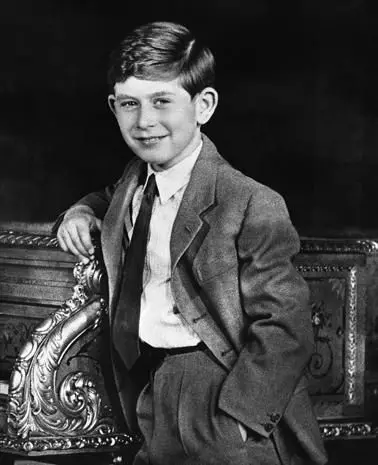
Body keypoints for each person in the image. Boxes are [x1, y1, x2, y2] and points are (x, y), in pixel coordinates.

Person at [55, 21, 327, 465]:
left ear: (204, 105)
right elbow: (106, 198)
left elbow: (286, 325)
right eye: (129, 104)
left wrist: (239, 417)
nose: (144, 122)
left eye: (162, 101)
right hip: (150, 388)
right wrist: (80, 212)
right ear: (113, 107)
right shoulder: (134, 182)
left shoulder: (250, 202)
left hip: (222, 393)